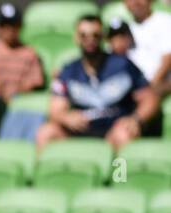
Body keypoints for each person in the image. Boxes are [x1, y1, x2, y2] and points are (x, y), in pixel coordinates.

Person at [38, 14, 158, 151]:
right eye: (84, 35)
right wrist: (66, 117)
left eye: (95, 35)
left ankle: (122, 173)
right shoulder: (68, 71)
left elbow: (150, 99)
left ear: (103, 37)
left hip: (113, 128)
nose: (90, 40)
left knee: (124, 134)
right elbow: (55, 109)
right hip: (79, 131)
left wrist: (136, 119)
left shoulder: (123, 66)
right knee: (46, 132)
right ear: (76, 38)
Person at [0, 4, 45, 137]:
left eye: (13, 25)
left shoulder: (29, 53)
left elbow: (36, 82)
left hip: (17, 104)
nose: (9, 30)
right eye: (5, 25)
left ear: (20, 27)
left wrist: (15, 91)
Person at [124, 0, 171, 93]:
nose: (135, 2)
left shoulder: (166, 21)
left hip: (158, 84)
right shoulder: (124, 29)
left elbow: (168, 57)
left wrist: (150, 86)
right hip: (135, 87)